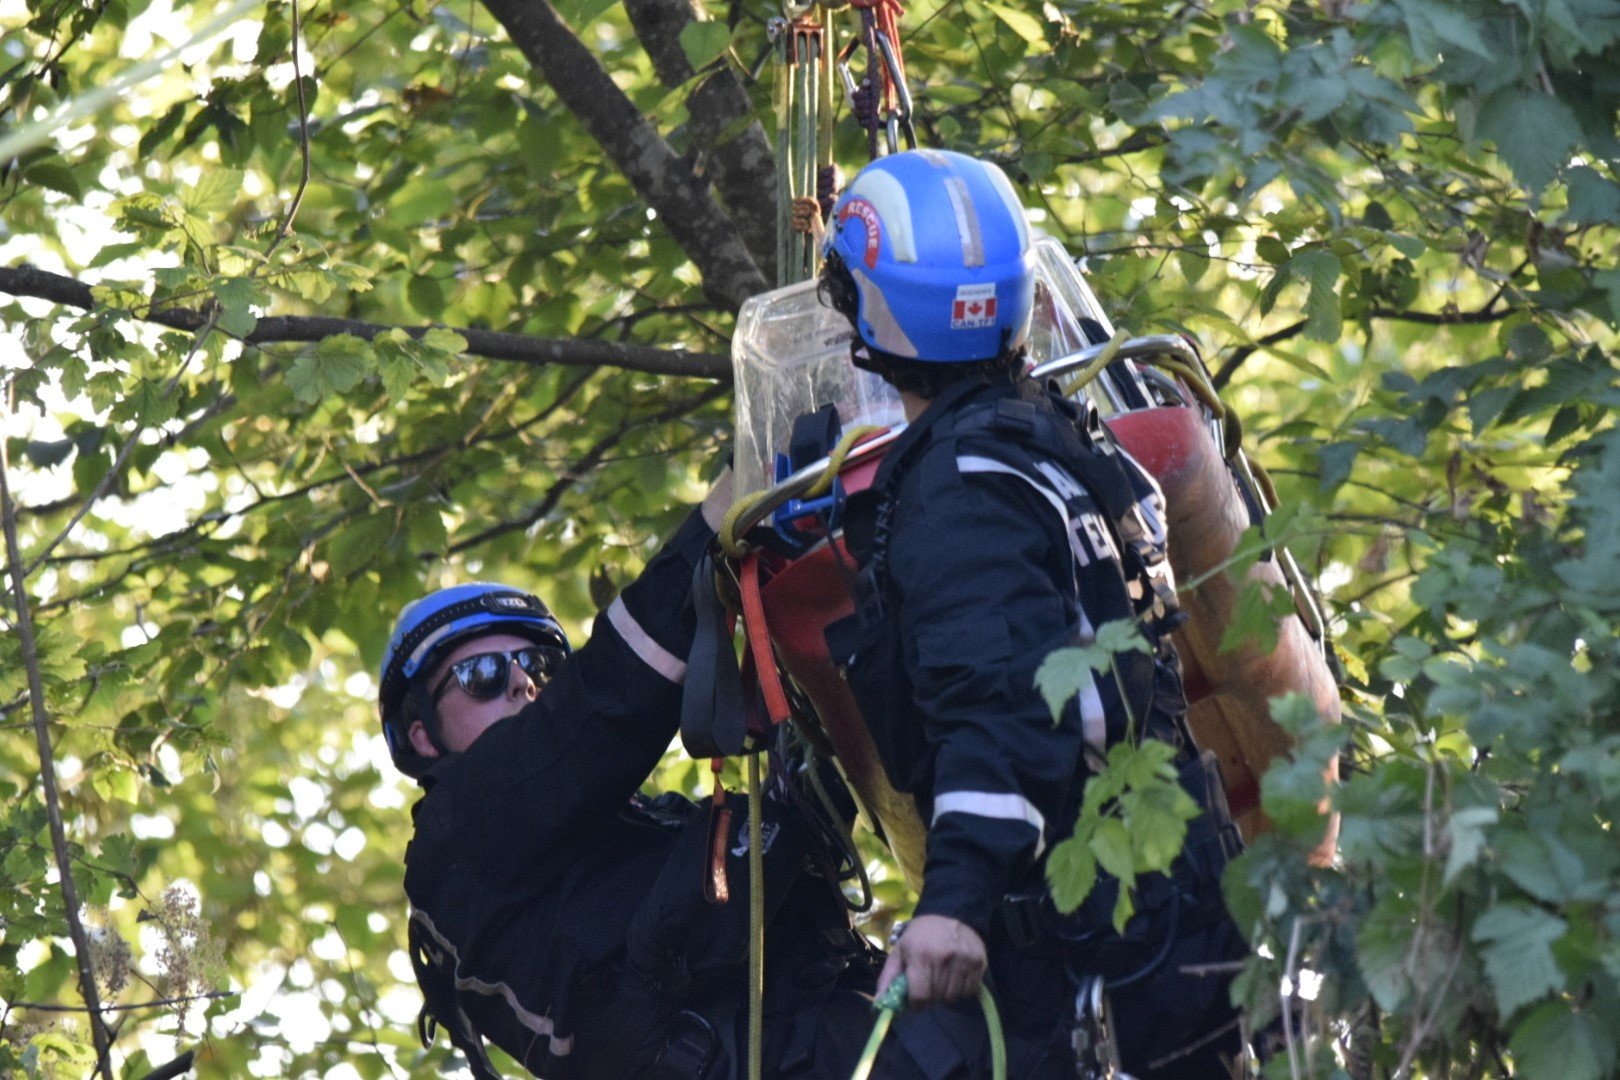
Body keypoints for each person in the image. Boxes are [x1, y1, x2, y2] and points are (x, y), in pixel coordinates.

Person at [815, 148, 1250, 1079]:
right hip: (1176, 911)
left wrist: (956, 902)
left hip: (1098, 948)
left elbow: (1006, 705)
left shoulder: (960, 492)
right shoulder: (1055, 436)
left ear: (868, 311)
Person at [377, 475, 887, 1080]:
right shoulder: (453, 846)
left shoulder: (647, 825)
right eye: (483, 674)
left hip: (865, 1032)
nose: (523, 683)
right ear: (421, 735)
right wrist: (711, 528)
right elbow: (597, 711)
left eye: (539, 667)